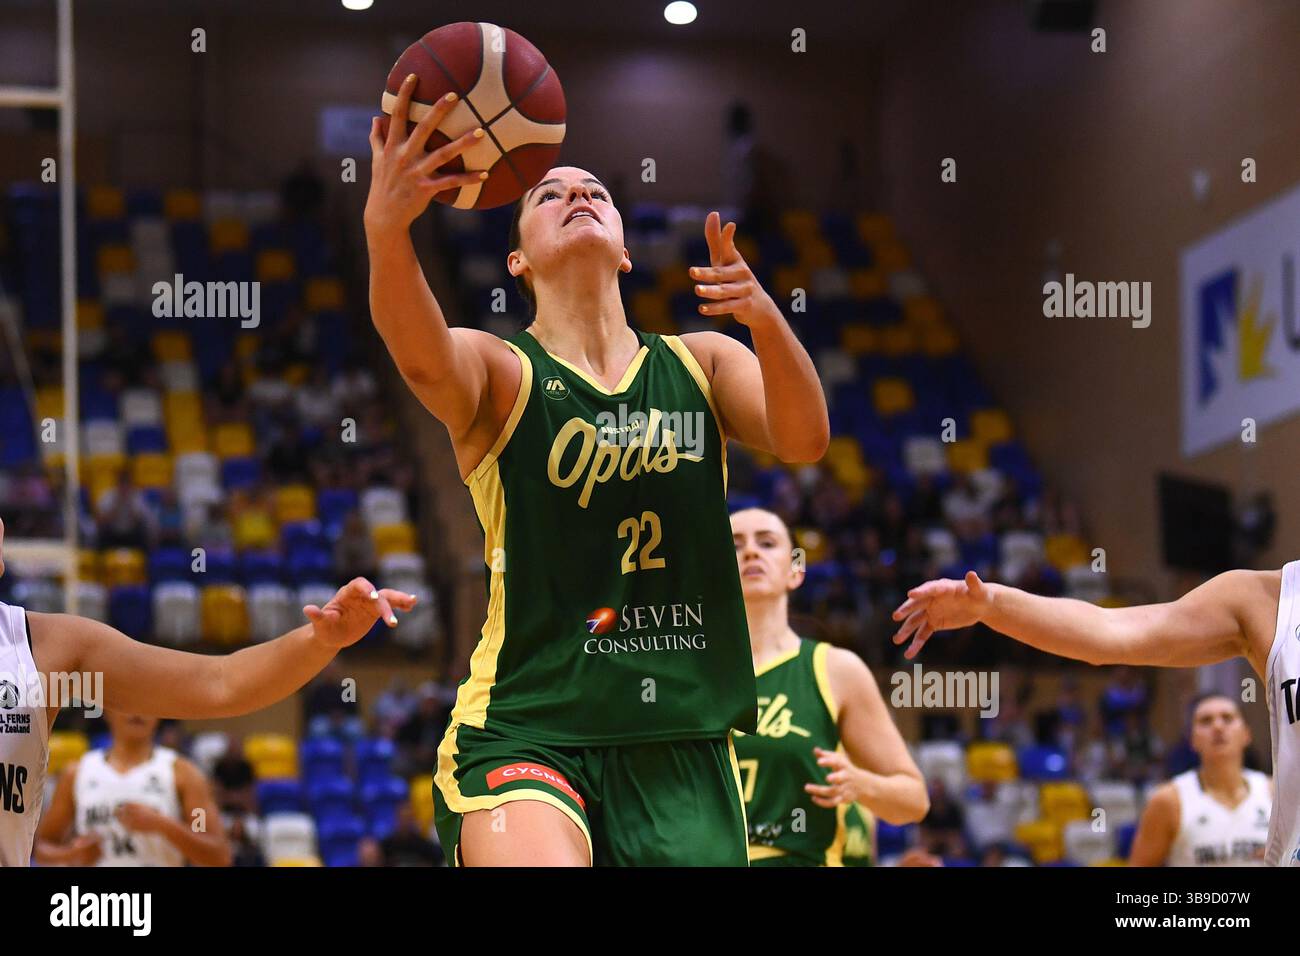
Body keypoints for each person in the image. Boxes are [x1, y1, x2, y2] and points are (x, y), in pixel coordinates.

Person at [364, 77, 830, 866]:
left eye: (596, 192)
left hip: (679, 735)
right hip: (528, 725)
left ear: (624, 248)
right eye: (548, 193)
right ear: (517, 258)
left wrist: (764, 317)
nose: (576, 194)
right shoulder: (501, 372)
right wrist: (386, 229)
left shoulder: (703, 361)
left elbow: (805, 437)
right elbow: (421, 356)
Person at [0, 514, 416, 866]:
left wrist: (322, 640)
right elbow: (46, 848)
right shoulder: (82, 772)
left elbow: (220, 682)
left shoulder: (50, 646)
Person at [891, 565, 1299, 865]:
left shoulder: (1261, 789)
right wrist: (993, 604)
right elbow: (1110, 631)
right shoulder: (1266, 599)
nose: (1218, 728)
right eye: (1206, 721)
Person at [730, 507, 927, 866]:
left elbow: (913, 799)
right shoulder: (688, 676)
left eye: (767, 543)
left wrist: (861, 784)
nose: (751, 552)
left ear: (796, 570)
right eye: (735, 545)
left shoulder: (836, 670)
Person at [34, 710, 232, 866]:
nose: (137, 711)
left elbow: (217, 855)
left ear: (159, 711)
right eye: (128, 701)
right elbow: (42, 849)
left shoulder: (184, 774)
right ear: (106, 708)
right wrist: (72, 855)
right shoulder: (77, 773)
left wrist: (162, 825)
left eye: (146, 703)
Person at [1129, 692, 1271, 866]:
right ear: (1192, 740)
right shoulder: (1168, 800)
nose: (1218, 727)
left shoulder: (1274, 793)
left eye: (1227, 718)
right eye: (1206, 721)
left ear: (1246, 734)